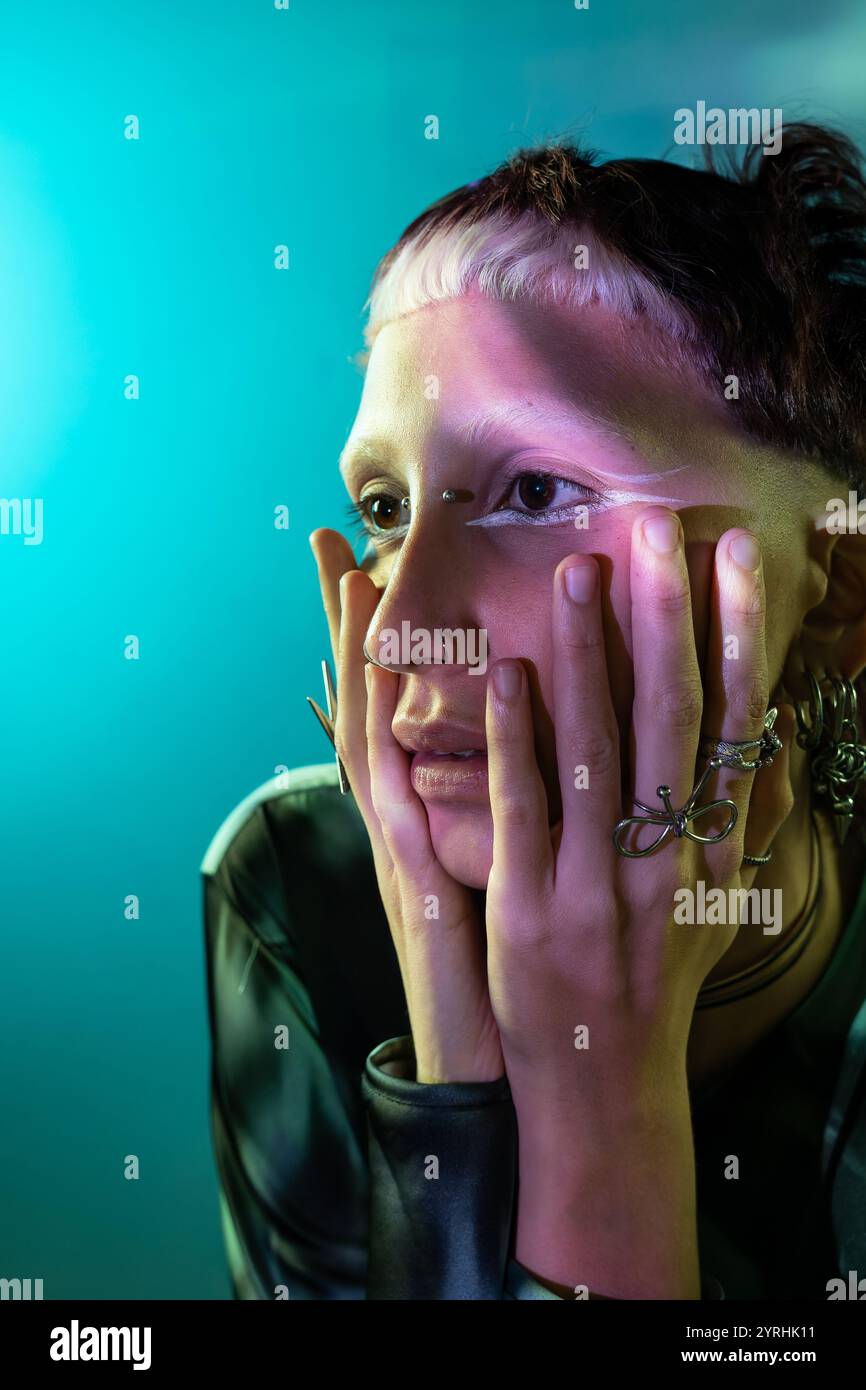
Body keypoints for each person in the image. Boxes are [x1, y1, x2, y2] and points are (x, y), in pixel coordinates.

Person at [202, 123, 866, 1300]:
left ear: (837, 584)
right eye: (387, 507)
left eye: (539, 488)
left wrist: (598, 1097)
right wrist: (450, 1078)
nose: (400, 626)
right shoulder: (296, 882)